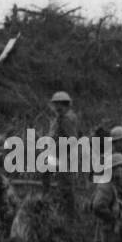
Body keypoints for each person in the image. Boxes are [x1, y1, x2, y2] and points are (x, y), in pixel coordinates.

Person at [48, 91, 79, 220]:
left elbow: (72, 139)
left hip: (64, 156)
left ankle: (69, 217)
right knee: (60, 185)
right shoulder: (61, 118)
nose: (56, 108)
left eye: (58, 105)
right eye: (55, 104)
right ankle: (63, 213)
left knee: (66, 188)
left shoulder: (66, 120)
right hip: (58, 155)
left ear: (64, 105)